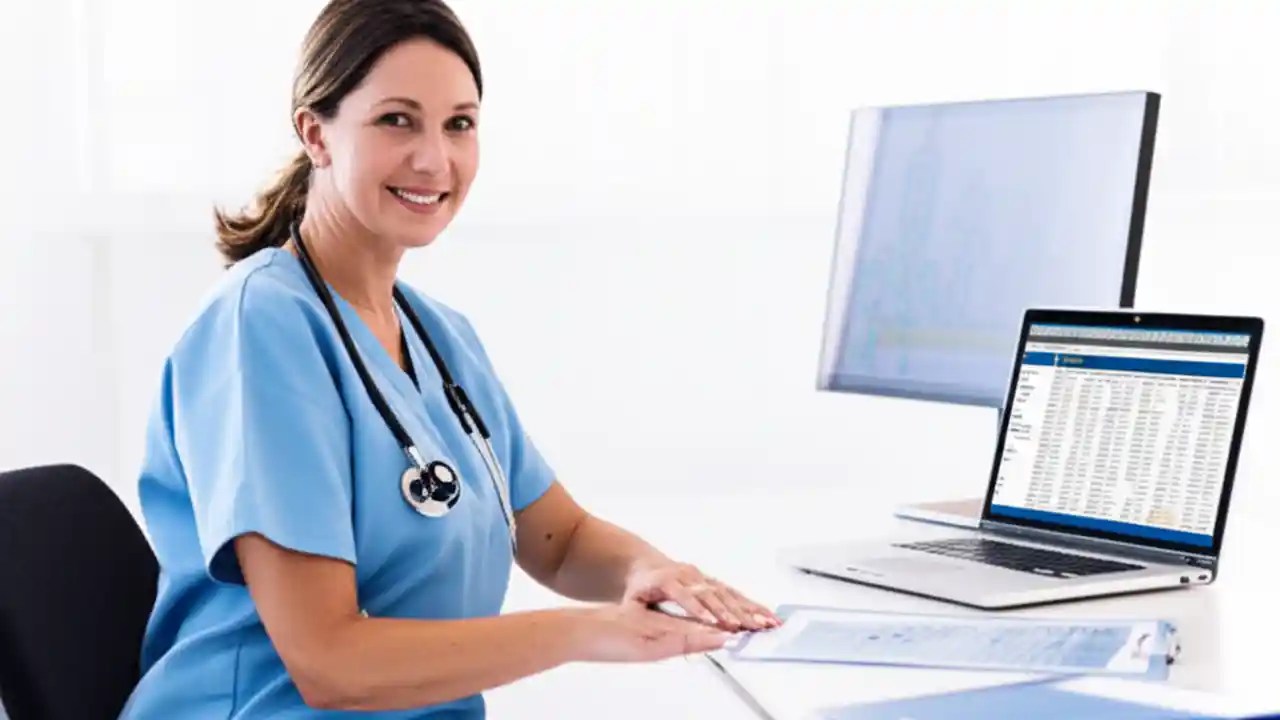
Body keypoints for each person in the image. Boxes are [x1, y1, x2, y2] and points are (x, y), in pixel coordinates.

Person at [118, 1, 778, 718]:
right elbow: (331, 663)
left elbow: (559, 541)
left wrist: (652, 572)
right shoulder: (260, 327)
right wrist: (587, 631)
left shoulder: (439, 336)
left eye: (459, 124)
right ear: (316, 133)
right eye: (396, 120)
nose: (435, 159)